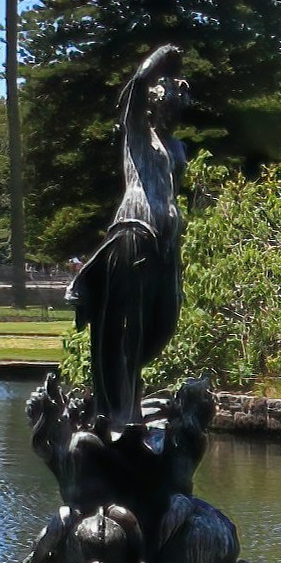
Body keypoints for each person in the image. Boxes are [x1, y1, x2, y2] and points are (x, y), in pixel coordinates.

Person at [68, 45, 190, 414]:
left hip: (164, 245)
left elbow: (169, 190)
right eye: (170, 87)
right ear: (155, 101)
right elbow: (137, 84)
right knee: (129, 327)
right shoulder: (138, 133)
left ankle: (124, 397)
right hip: (134, 233)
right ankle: (123, 408)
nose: (179, 89)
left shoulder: (177, 146)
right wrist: (159, 58)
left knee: (164, 323)